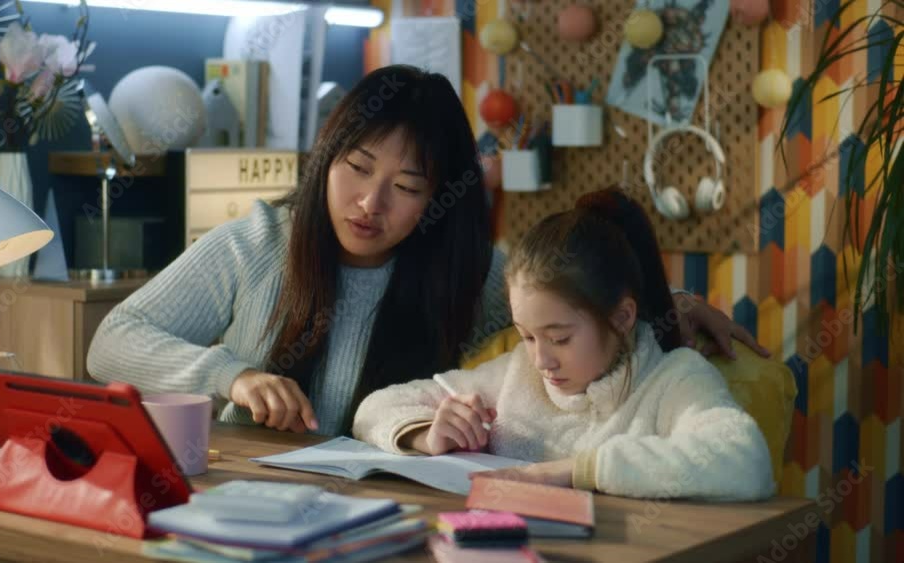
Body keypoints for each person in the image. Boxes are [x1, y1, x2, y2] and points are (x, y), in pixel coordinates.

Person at [87, 65, 769, 438]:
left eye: (407, 187)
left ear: (440, 199)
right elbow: (113, 340)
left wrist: (672, 304)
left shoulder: (467, 273)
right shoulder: (260, 241)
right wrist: (232, 376)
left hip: (401, 519)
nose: (369, 203)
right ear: (325, 158)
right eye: (356, 168)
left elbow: (567, 302)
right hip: (249, 501)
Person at [352, 188, 774, 501]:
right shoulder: (516, 373)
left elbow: (746, 460)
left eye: (560, 338)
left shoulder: (673, 379)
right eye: (526, 335)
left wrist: (576, 471)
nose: (541, 360)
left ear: (622, 318)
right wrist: (427, 433)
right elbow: (372, 409)